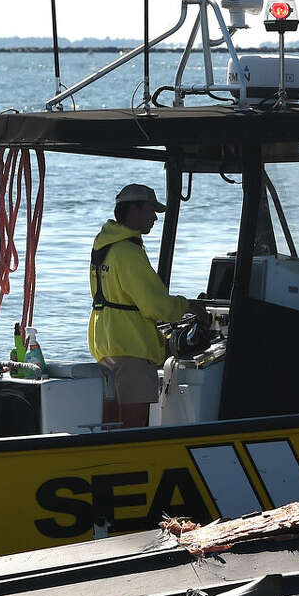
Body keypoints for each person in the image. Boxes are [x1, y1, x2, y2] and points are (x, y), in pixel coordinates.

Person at [90, 183, 206, 427]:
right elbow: (157, 306)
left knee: (109, 426)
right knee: (132, 430)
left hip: (105, 345)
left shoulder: (104, 246)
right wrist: (190, 306)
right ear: (133, 209)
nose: (154, 217)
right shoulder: (128, 252)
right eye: (150, 210)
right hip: (132, 348)